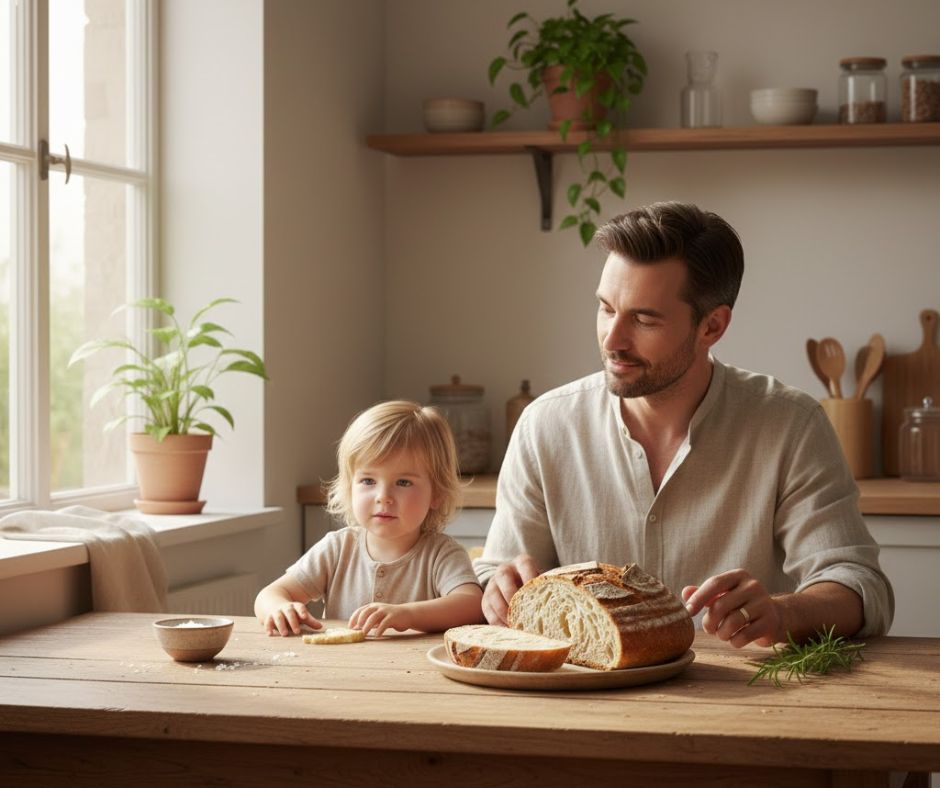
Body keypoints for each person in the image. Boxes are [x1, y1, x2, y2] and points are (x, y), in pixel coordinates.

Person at [474, 201, 893, 649]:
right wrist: (496, 589)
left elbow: (859, 586)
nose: (613, 339)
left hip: (742, 702)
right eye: (606, 308)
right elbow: (497, 573)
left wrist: (782, 612)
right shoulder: (545, 426)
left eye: (644, 318)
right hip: (584, 695)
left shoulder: (790, 425)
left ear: (712, 326)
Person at [255, 400, 484, 637]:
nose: (383, 497)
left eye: (403, 482)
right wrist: (280, 607)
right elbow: (269, 595)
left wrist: (407, 615)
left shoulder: (441, 554)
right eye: (368, 481)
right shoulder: (337, 549)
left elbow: (471, 605)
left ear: (436, 493)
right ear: (350, 487)